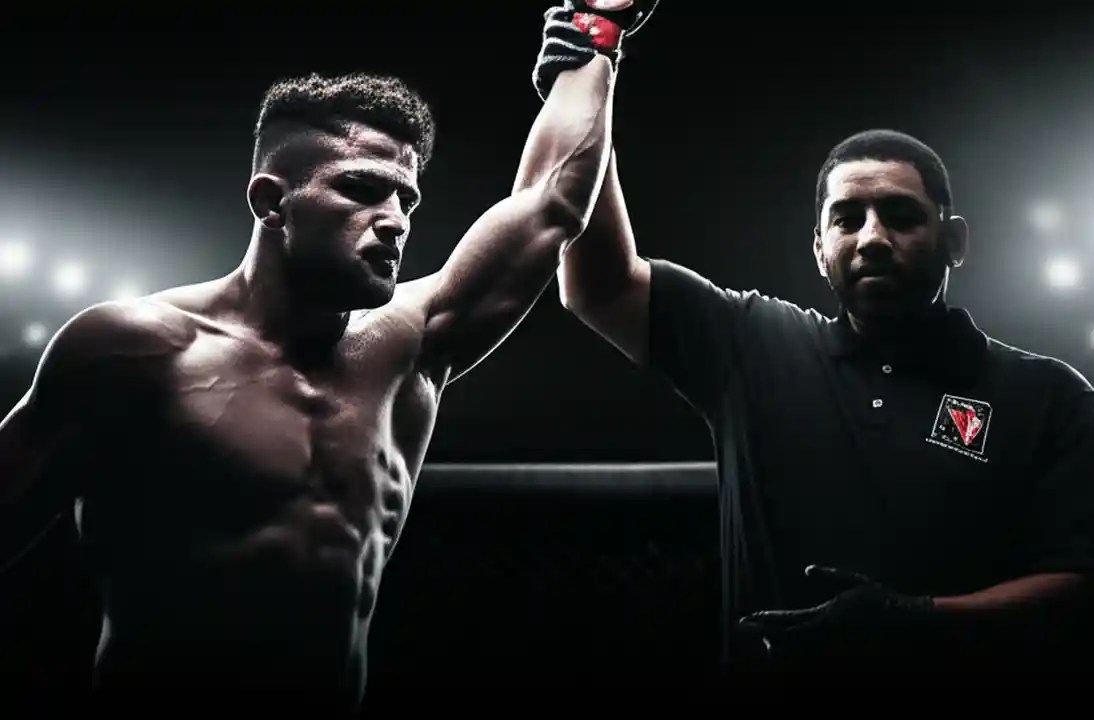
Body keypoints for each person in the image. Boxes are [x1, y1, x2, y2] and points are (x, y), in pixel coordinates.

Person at [0, 4, 652, 710]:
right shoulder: (131, 351)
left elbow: (552, 203)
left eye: (407, 200)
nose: (394, 220)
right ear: (271, 202)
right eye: (361, 189)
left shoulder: (411, 348)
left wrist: (596, 31)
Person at [547, 13, 1094, 684]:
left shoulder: (1048, 393)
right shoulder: (753, 345)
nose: (873, 238)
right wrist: (584, 84)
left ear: (954, 242)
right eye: (847, 219)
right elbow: (598, 283)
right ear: (819, 248)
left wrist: (914, 619)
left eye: (901, 216)